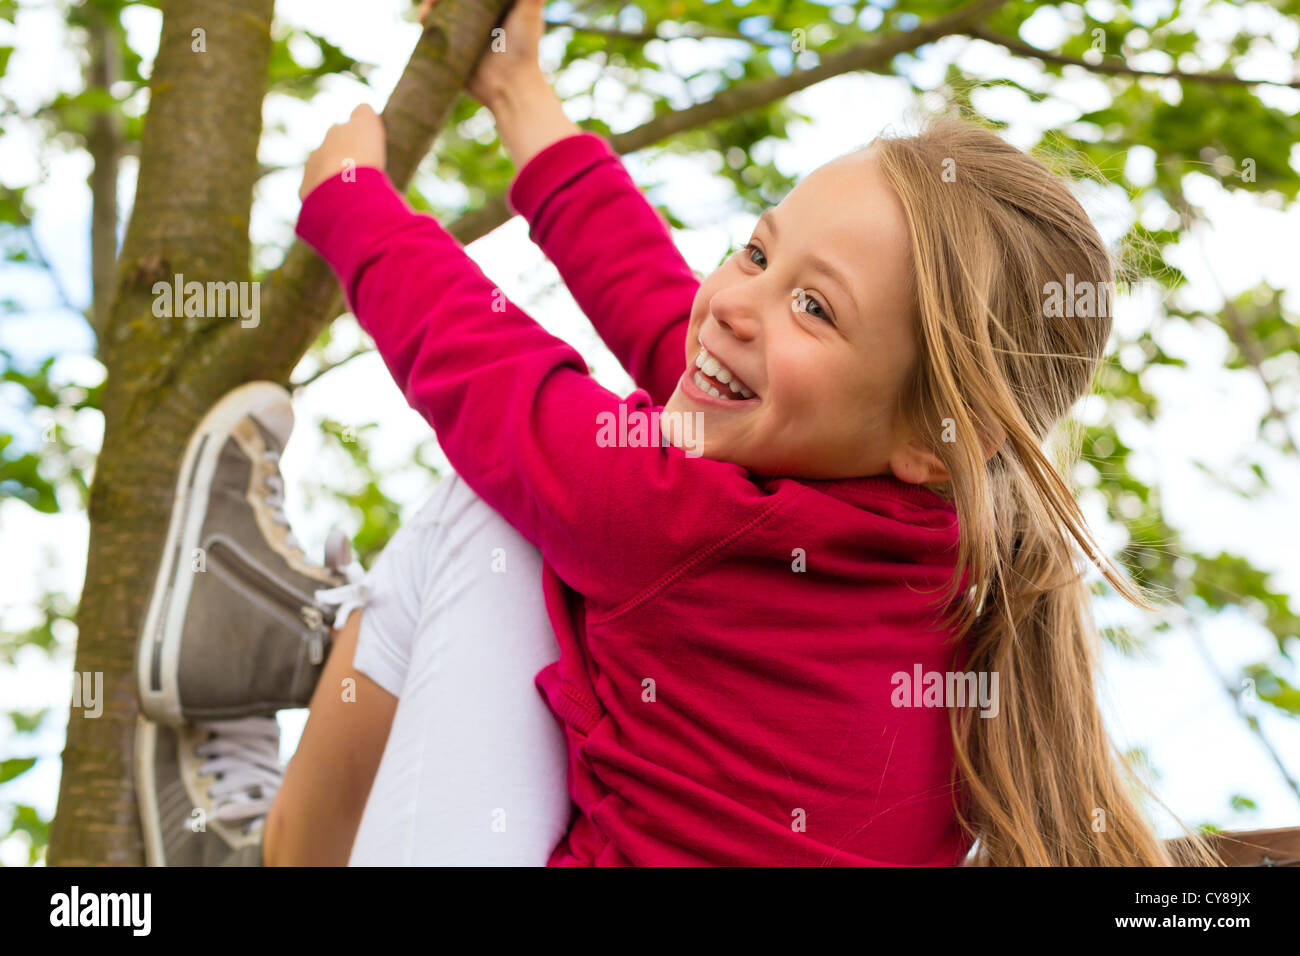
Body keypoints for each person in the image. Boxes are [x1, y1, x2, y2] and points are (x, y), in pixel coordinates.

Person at [133, 0, 1220, 866]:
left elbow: (498, 383)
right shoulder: (909, 529)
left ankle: (280, 846)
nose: (740, 301)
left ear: (938, 435)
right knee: (607, 453)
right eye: (756, 251)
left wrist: (354, 206)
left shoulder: (686, 522)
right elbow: (681, 337)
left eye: (816, 306)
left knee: (503, 504)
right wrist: (521, 99)